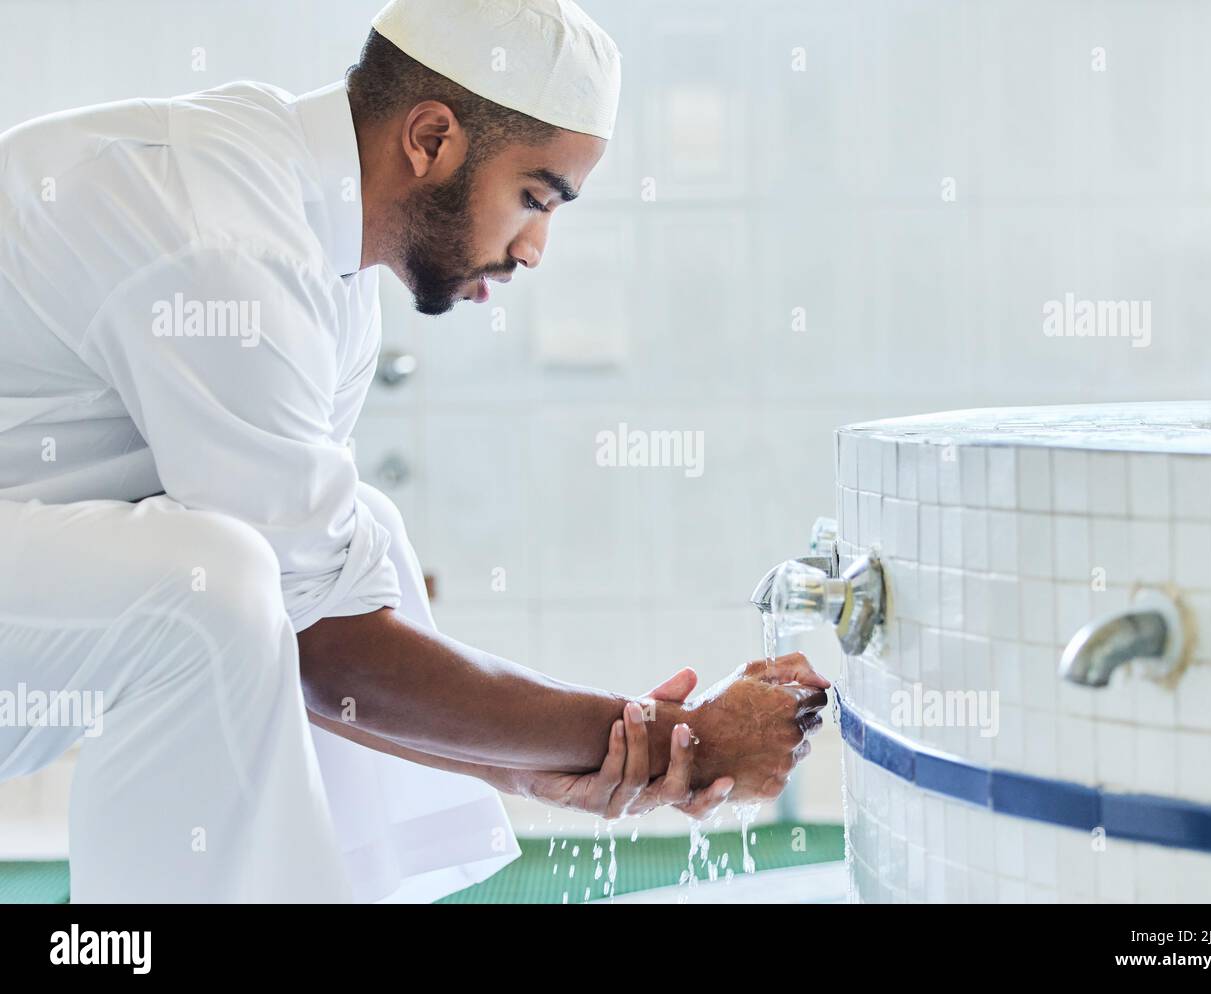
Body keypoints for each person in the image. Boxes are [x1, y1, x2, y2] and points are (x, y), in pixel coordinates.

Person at [0, 0, 830, 902]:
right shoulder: (227, 235)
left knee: (351, 542)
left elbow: (322, 631)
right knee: (211, 586)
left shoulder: (318, 249)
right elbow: (332, 646)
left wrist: (532, 770)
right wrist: (685, 742)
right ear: (431, 137)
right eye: (533, 196)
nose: (536, 247)